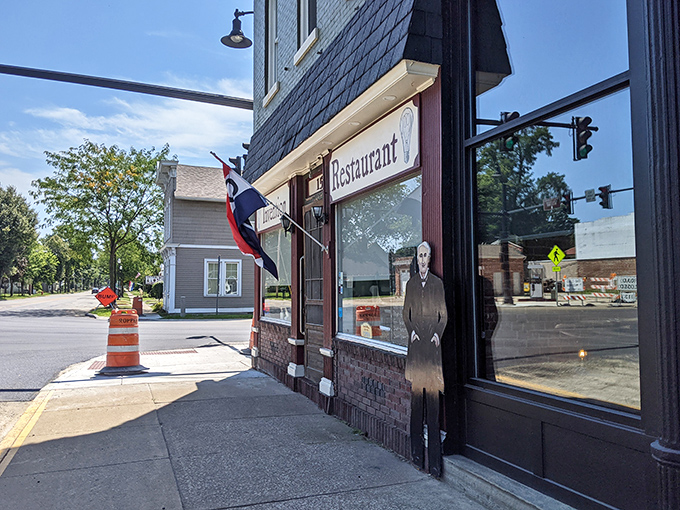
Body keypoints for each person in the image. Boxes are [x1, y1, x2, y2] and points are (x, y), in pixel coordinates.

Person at [402, 241, 448, 477]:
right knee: (416, 405)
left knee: (433, 406)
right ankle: (417, 455)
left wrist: (437, 335)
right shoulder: (410, 284)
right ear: (416, 258)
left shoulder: (437, 284)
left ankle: (435, 464)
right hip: (416, 351)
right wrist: (411, 330)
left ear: (430, 259)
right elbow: (405, 313)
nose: (422, 259)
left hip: (431, 353)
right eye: (419, 255)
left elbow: (444, 315)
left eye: (426, 256)